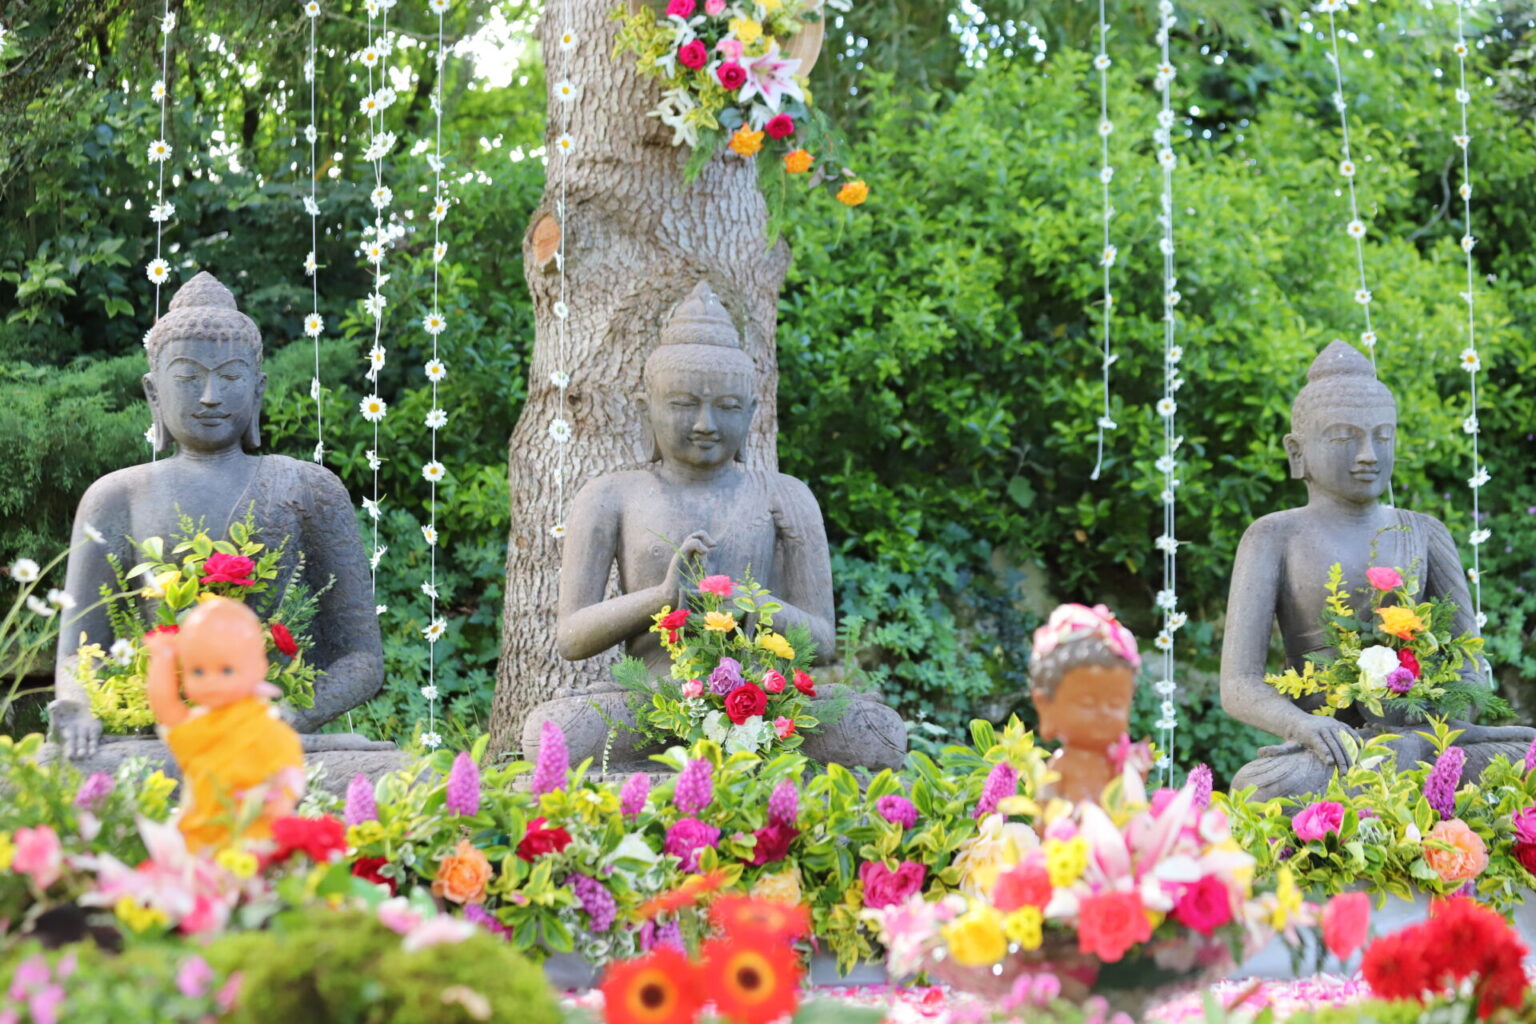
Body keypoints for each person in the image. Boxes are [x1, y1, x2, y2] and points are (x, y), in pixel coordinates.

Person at [535, 280, 905, 770]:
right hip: (651, 701)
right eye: (683, 404)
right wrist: (662, 598)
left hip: (763, 702)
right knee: (558, 732)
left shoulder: (786, 496)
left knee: (875, 731)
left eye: (727, 407)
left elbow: (820, 642)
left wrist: (748, 601)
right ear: (646, 410)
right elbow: (571, 637)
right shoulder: (609, 495)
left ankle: (744, 738)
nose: (705, 424)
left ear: (750, 414)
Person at [50, 271, 383, 762]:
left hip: (265, 730)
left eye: (229, 378)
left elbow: (362, 658)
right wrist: (80, 706)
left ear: (258, 389)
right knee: (68, 769)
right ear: (154, 393)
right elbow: (79, 653)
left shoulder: (306, 487)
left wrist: (289, 715)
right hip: (154, 735)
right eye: (188, 378)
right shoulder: (116, 496)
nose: (210, 396)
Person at [1220, 340, 1531, 800]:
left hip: (1421, 739)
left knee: (1525, 756)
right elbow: (1238, 685)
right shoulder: (1273, 535)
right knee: (1261, 787)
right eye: (1344, 438)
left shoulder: (1425, 532)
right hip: (1328, 752)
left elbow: (1468, 668)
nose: (1368, 454)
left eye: (1383, 437)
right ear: (1297, 451)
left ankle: (1403, 764)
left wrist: (1422, 720)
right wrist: (1302, 725)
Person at [146, 597, 304, 851]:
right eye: (198, 672)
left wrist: (284, 799)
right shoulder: (201, 724)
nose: (212, 681)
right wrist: (163, 659)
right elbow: (167, 709)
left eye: (227, 671)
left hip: (254, 836)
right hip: (202, 835)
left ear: (259, 668)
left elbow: (290, 770)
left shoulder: (266, 727)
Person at [1029, 603, 1140, 804]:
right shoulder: (1062, 765)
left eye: (1115, 703)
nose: (1104, 712)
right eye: (1087, 703)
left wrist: (1137, 773)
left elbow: (1129, 804)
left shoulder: (1114, 763)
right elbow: (1045, 810)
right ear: (1046, 704)